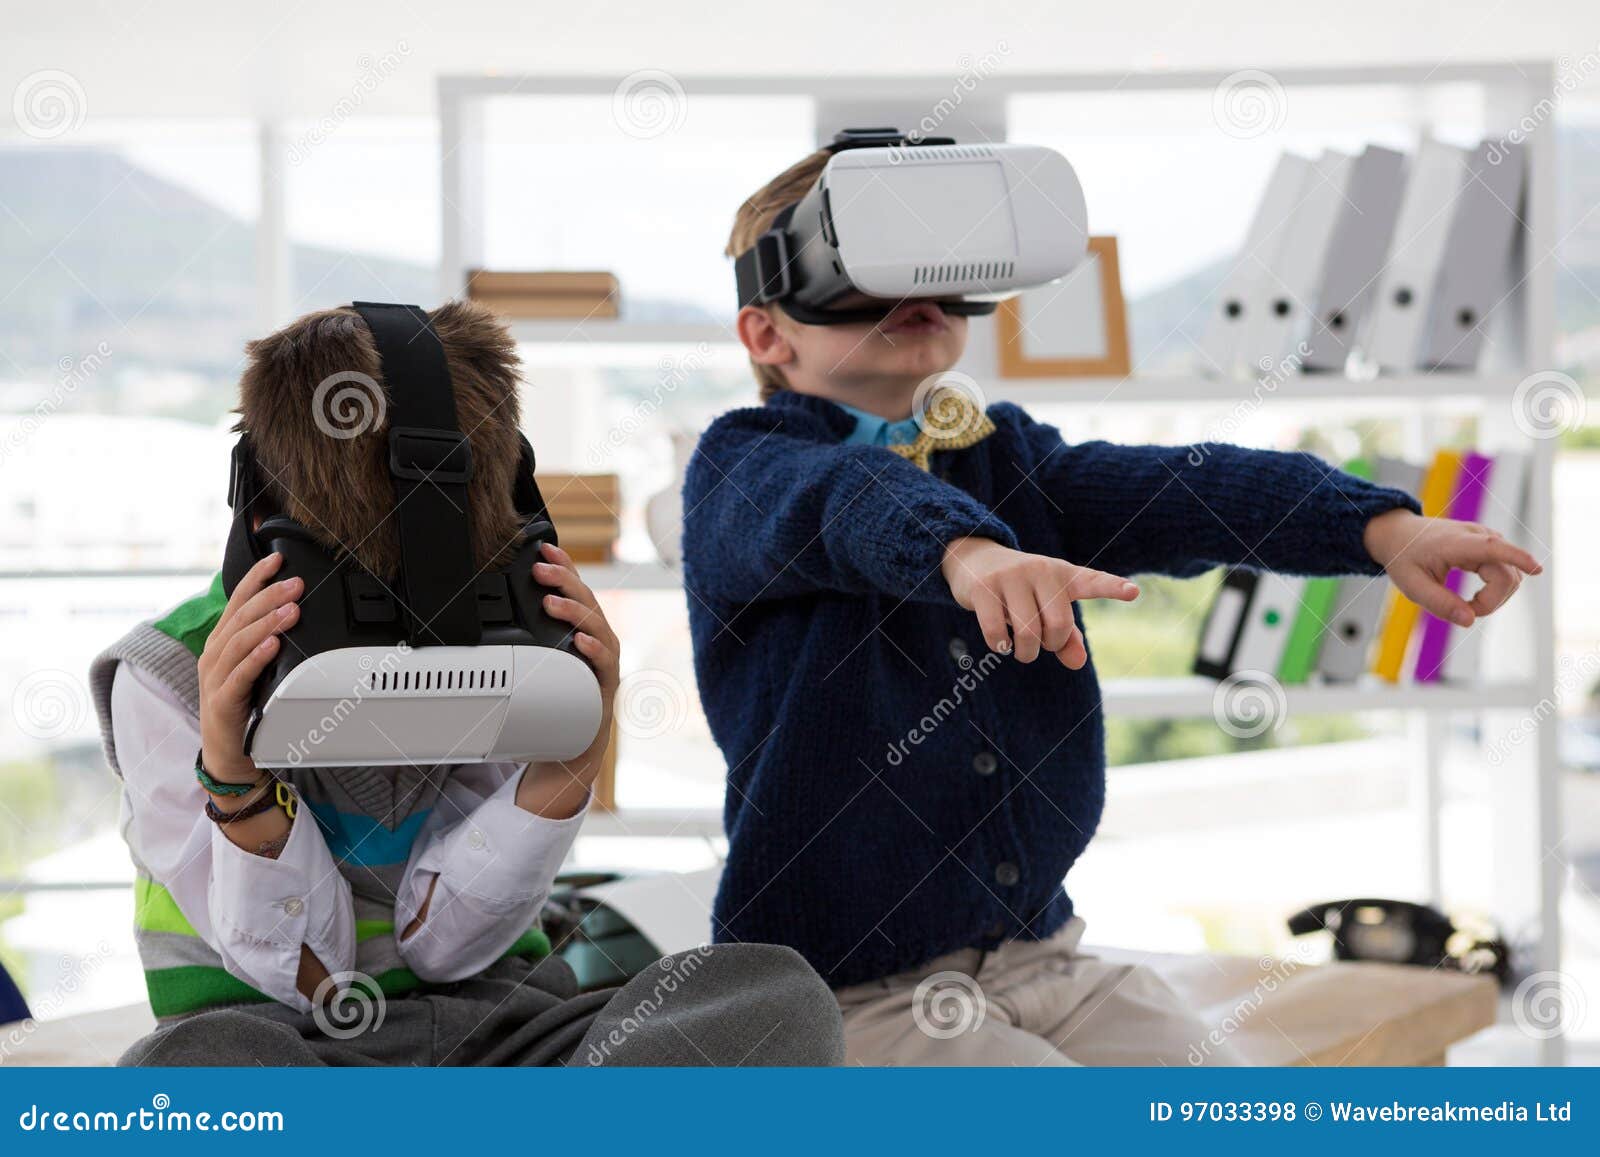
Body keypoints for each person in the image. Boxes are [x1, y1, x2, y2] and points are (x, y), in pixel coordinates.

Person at [681, 148, 1542, 1066]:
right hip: (849, 991)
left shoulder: (1000, 449)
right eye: (867, 263)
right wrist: (962, 553)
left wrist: (1375, 527)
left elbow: (1183, 489)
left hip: (1047, 956)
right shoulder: (742, 467)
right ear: (768, 334)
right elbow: (842, 502)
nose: (912, 286)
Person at [90, 301, 843, 1067]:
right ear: (260, 504)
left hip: (505, 1038)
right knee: (185, 1071)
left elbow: (448, 946)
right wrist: (232, 769)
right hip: (296, 1046)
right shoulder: (166, 674)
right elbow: (311, 978)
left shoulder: (507, 627)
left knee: (774, 994)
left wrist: (571, 758)